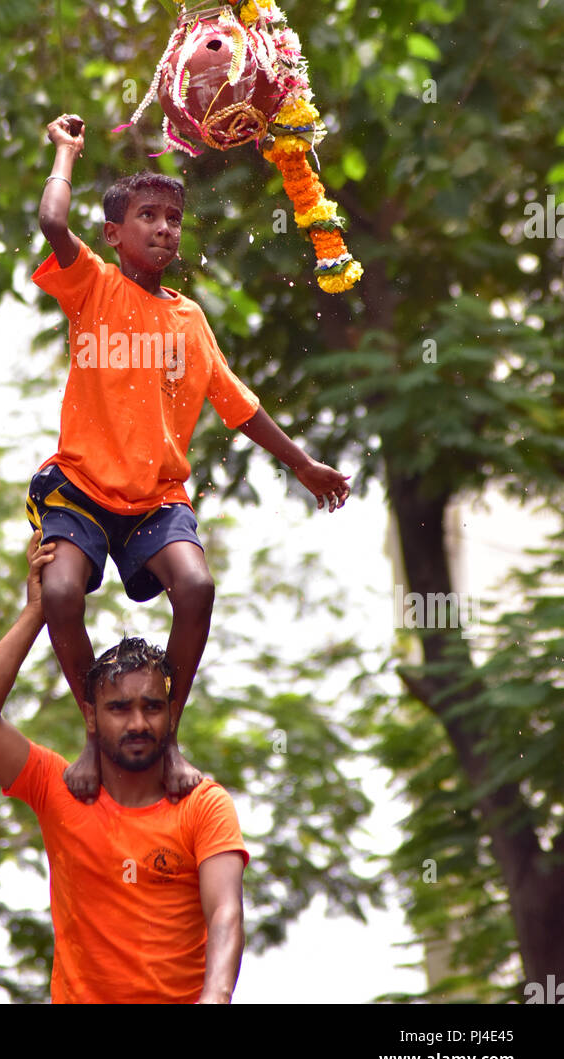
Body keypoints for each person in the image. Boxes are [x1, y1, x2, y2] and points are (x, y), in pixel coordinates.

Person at [30, 112, 351, 805]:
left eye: (173, 217)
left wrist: (301, 465)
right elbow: (53, 223)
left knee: (197, 587)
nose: (164, 227)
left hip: (156, 497)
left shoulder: (189, 320)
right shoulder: (91, 286)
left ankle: (167, 734)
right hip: (81, 487)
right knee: (58, 593)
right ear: (114, 234)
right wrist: (64, 153)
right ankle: (94, 731)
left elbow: (238, 403)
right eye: (147, 215)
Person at [0, 533, 248, 1005]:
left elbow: (226, 914)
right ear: (91, 715)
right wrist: (36, 611)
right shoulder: (59, 790)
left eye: (152, 707)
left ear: (171, 713)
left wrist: (215, 997)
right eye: (119, 708)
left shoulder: (203, 806)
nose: (137, 722)